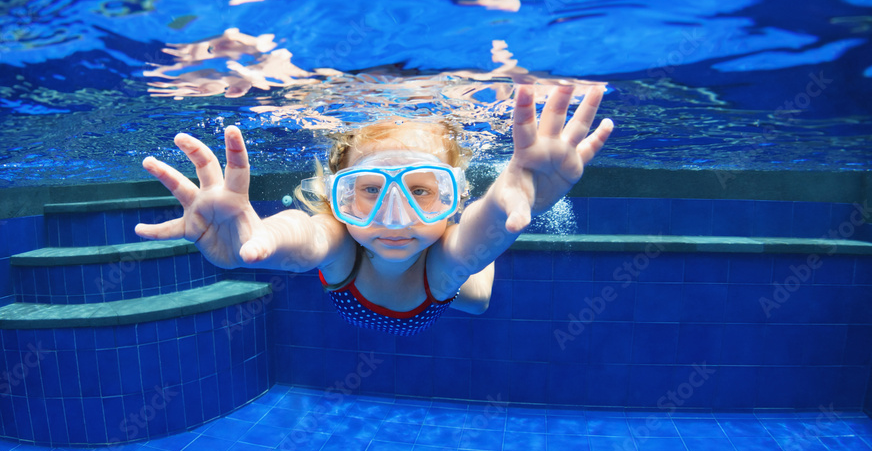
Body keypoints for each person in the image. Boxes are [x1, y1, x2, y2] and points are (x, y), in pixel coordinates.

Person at [135, 85, 613, 335]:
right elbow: (305, 237)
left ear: (455, 194)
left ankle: (489, 206)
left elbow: (471, 246)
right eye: (367, 191)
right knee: (465, 256)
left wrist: (527, 191)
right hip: (414, 285)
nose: (394, 217)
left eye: (423, 191)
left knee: (474, 270)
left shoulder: (447, 256)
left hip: (446, 280)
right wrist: (254, 239)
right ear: (335, 196)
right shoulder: (340, 240)